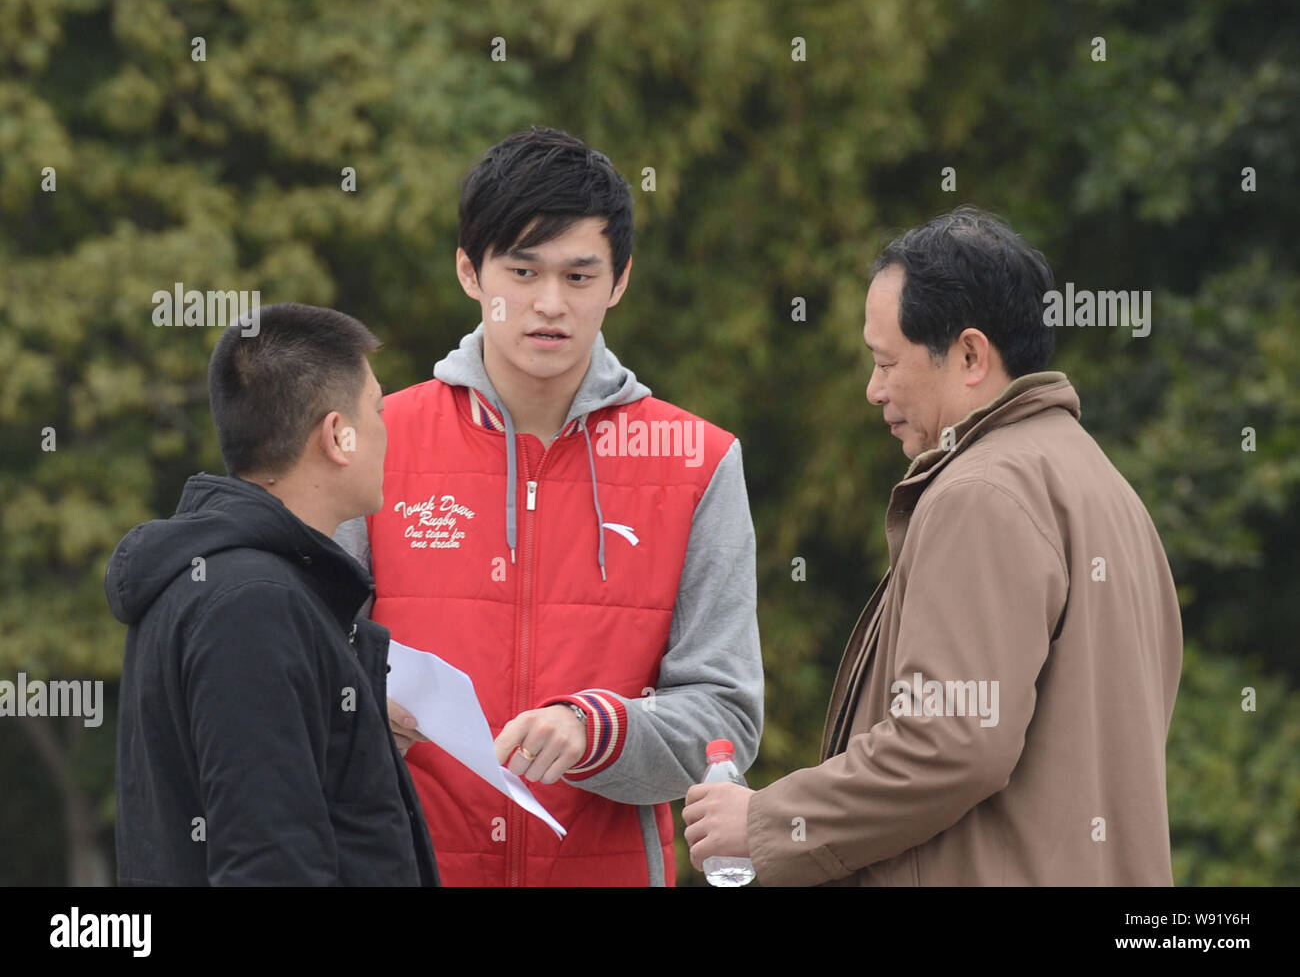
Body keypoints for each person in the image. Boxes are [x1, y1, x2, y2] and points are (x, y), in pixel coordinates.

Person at [683, 206, 1183, 885]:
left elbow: (949, 741)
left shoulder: (981, 493)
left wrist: (768, 822)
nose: (873, 390)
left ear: (971, 355)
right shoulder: (1105, 489)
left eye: (886, 362)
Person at [334, 126, 763, 886]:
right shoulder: (377, 439)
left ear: (619, 280)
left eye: (578, 275)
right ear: (469, 272)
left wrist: (598, 729)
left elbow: (725, 717)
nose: (549, 304)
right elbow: (304, 665)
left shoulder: (698, 462)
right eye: (523, 271)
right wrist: (363, 713)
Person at [107, 303, 438, 885]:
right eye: (378, 410)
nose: (388, 431)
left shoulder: (230, 583)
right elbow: (268, 863)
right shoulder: (252, 605)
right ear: (337, 436)